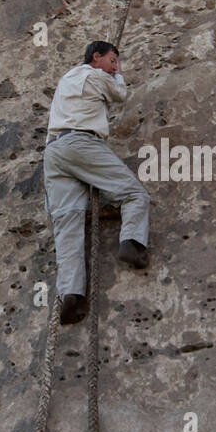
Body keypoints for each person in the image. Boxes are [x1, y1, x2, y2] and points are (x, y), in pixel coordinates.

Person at [43, 40, 150, 323]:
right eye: (112, 60)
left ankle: (72, 295)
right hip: (81, 143)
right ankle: (132, 244)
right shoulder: (97, 75)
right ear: (96, 57)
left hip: (54, 151)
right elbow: (120, 94)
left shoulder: (67, 78)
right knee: (134, 194)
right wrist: (117, 74)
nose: (115, 66)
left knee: (67, 223)